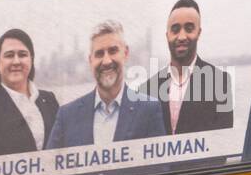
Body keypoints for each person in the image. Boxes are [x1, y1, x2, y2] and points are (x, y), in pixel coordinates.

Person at [46, 20, 163, 148]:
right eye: (99, 54)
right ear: (90, 60)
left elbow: (160, 167)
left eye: (113, 51)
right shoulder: (66, 116)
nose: (106, 61)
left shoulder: (149, 111)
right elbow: (50, 166)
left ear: (125, 53)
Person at [141, 0, 233, 135]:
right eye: (175, 29)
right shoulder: (146, 90)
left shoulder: (220, 82)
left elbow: (223, 143)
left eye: (189, 28)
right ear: (167, 35)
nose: (182, 36)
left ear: (199, 33)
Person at [0, 28, 60, 159]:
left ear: (31, 60)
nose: (16, 61)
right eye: (9, 55)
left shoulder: (49, 99)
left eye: (22, 54)